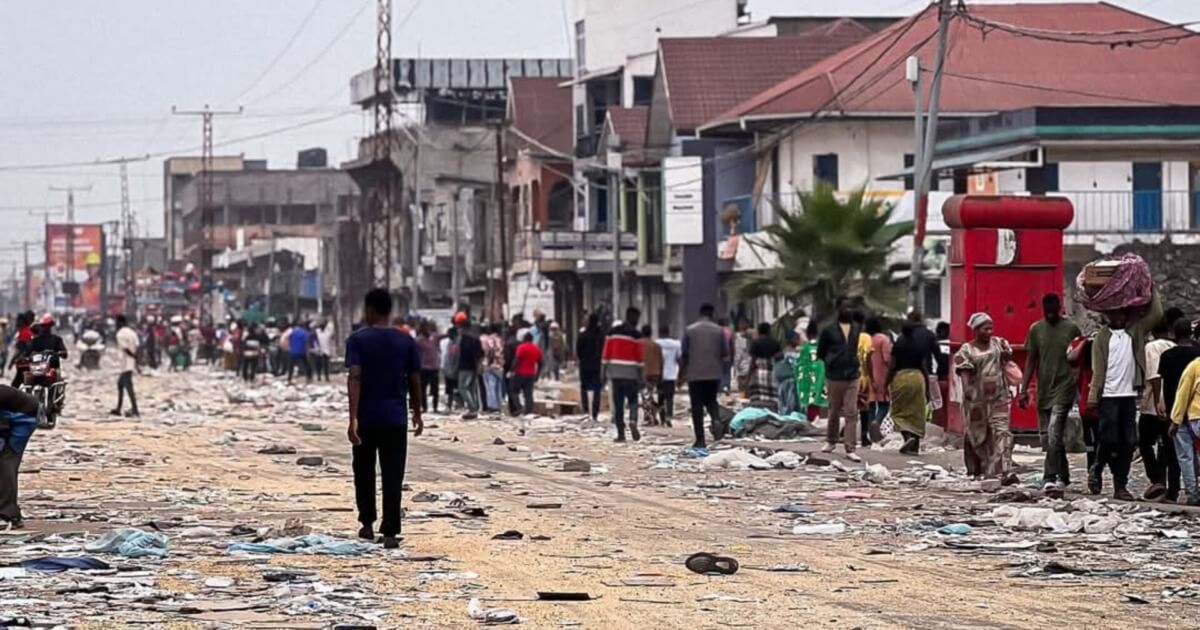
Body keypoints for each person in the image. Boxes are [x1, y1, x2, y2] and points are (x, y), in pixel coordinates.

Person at [346, 289, 423, 549]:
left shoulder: (358, 340)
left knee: (364, 471)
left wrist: (352, 417)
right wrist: (417, 412)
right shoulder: (406, 341)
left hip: (367, 418)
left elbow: (355, 377)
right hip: (395, 418)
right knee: (393, 475)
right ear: (389, 310)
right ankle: (390, 531)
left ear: (369, 310)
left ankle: (367, 523)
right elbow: (414, 379)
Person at [1087, 294, 1162, 501]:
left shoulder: (1135, 331)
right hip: (1109, 395)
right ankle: (1098, 467)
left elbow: (1157, 314)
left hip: (1128, 395)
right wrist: (1093, 398)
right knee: (1109, 439)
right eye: (1112, 312)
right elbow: (1098, 370)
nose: (1116, 316)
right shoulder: (1101, 338)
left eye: (1119, 311)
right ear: (1107, 315)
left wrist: (1150, 288)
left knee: (1128, 442)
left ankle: (1121, 486)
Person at [1019, 293, 1083, 497]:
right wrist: (1023, 389)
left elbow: (1079, 356)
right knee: (1049, 438)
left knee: (1055, 433)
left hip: (1064, 388)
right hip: (1044, 389)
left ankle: (1050, 477)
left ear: (1060, 309)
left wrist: (1077, 383)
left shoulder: (1071, 328)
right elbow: (1031, 360)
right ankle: (1063, 475)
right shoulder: (1036, 330)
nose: (1051, 316)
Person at [956, 312, 1017, 483]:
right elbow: (963, 371)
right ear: (976, 330)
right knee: (978, 436)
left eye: (991, 328)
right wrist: (967, 388)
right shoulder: (966, 350)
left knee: (1002, 431)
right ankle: (981, 468)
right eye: (985, 329)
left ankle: (1004, 470)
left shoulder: (999, 344)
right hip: (976, 401)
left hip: (999, 397)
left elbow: (1007, 359)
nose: (989, 332)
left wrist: (1006, 356)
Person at [1146, 318, 1196, 502]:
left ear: (1174, 334)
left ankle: (1177, 491)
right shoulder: (1197, 355)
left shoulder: (1167, 356)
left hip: (1175, 408)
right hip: (1196, 410)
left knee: (1177, 454)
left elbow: (1165, 383)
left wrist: (1163, 407)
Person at [817, 307, 864, 462]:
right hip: (834, 376)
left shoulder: (857, 329)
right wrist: (831, 362)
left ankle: (850, 448)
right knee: (834, 410)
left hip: (852, 375)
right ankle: (831, 441)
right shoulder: (828, 330)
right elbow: (821, 352)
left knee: (851, 412)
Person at [888, 317, 938, 455]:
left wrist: (886, 383)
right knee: (917, 413)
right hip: (917, 378)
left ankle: (907, 437)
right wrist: (927, 389)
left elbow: (892, 366)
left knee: (898, 412)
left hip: (901, 378)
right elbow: (924, 368)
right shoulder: (918, 346)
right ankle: (914, 446)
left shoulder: (898, 344)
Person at [682, 304, 728, 449]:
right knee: (711, 401)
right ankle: (716, 419)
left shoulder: (689, 330)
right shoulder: (719, 331)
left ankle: (700, 440)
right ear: (712, 314)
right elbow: (725, 351)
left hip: (695, 374)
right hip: (713, 373)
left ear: (700, 314)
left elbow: (684, 353)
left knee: (697, 406)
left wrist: (682, 373)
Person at [0, 384, 42, 528]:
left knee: (7, 461)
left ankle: (8, 514)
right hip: (8, 415)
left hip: (24, 417)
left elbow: (3, 429)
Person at [602, 307, 644, 442]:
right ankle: (632, 420)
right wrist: (641, 377)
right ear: (635, 318)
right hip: (631, 374)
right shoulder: (636, 335)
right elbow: (639, 359)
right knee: (633, 400)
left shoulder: (612, 332)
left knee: (618, 404)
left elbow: (605, 354)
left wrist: (603, 372)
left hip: (616, 374)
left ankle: (621, 434)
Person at [1168, 341, 1200, 506]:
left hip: (1195, 417)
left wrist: (1175, 420)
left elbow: (1183, 395)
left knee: (1185, 456)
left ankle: (1193, 494)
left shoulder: (1194, 367)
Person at [865, 317, 892, 445]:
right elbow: (887, 359)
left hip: (868, 376)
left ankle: (871, 434)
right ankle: (877, 422)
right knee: (884, 404)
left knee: (871, 404)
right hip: (882, 376)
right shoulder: (883, 339)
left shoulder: (866, 340)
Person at [795, 320, 827, 423]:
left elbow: (799, 366)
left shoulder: (805, 348)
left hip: (809, 380)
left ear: (807, 334)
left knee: (811, 404)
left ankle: (813, 422)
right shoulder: (823, 347)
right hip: (822, 379)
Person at [576, 314, 605, 422]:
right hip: (597, 365)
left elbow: (578, 350)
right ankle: (595, 413)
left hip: (585, 365)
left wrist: (582, 359)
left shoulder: (583, 335)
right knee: (597, 388)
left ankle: (586, 410)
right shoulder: (601, 335)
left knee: (584, 387)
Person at [746, 322, 781, 411]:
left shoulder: (755, 343)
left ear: (759, 331)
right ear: (769, 331)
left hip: (758, 374)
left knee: (757, 399)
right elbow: (779, 359)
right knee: (772, 399)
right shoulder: (775, 343)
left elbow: (753, 361)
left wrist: (748, 377)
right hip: (772, 373)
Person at [110, 315, 140, 417]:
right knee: (121, 385)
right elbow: (137, 346)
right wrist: (137, 358)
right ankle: (119, 408)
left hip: (125, 364)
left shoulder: (120, 334)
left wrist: (133, 356)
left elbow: (125, 349)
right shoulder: (132, 333)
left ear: (120, 323)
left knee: (128, 387)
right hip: (130, 363)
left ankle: (135, 410)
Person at [455, 314, 483, 420]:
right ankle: (474, 408)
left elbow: (465, 354)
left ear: (462, 328)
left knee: (462, 387)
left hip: (465, 367)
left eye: (459, 328)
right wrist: (478, 366)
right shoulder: (475, 339)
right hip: (473, 367)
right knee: (471, 388)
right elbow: (480, 354)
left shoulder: (465, 340)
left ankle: (472, 408)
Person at [656, 324, 681, 426]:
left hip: (659, 375)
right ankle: (668, 416)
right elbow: (679, 359)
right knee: (670, 397)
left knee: (660, 397)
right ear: (668, 332)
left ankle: (662, 418)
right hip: (671, 375)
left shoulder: (656, 343)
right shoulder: (676, 344)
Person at [511, 331, 542, 414]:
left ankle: (519, 408)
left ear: (524, 339)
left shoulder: (521, 347)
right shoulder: (536, 349)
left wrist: (512, 370)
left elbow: (517, 360)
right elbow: (541, 362)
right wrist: (537, 374)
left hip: (520, 373)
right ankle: (528, 411)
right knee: (528, 394)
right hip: (531, 374)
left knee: (514, 392)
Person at [416, 322, 441, 413]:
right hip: (424, 367)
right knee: (423, 389)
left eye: (428, 328)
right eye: (425, 328)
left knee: (435, 389)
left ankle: (435, 407)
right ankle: (424, 407)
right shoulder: (418, 340)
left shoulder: (434, 337)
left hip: (434, 367)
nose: (427, 330)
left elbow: (442, 335)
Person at [480, 324, 506, 412]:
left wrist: (489, 362)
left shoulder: (488, 339)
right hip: (500, 365)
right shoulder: (500, 339)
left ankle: (492, 406)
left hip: (490, 365)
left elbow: (490, 351)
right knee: (498, 387)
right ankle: (499, 405)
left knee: (490, 387)